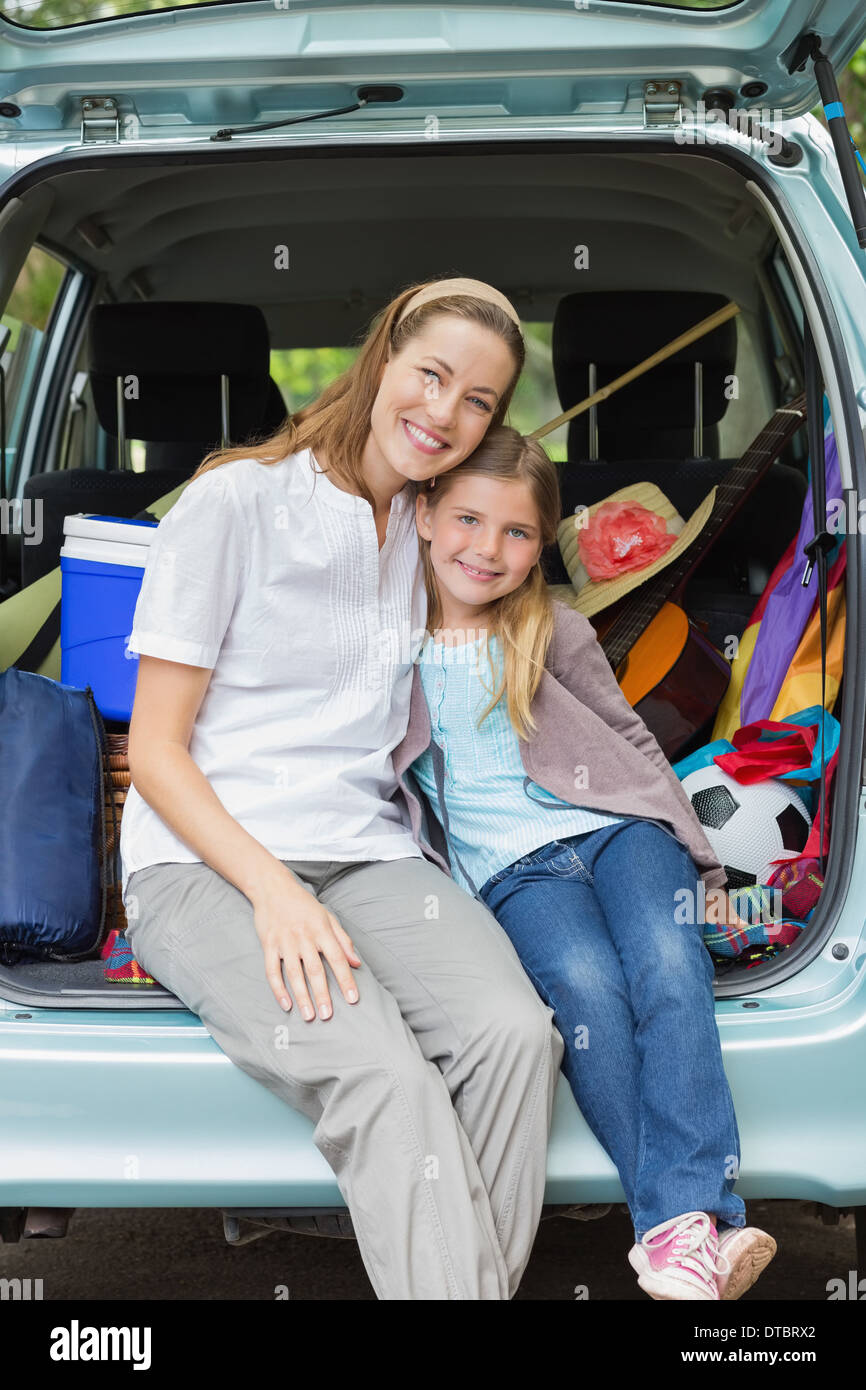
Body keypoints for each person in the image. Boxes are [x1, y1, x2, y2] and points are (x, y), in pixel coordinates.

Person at [119, 278, 565, 1301]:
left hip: (368, 856)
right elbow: (154, 753)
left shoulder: (435, 528)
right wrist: (276, 893)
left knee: (512, 1036)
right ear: (382, 358)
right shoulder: (234, 500)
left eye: (480, 402)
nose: (444, 415)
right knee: (386, 1082)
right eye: (431, 376)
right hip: (205, 864)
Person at [400, 423, 778, 1301]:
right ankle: (687, 1237)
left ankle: (679, 1220)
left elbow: (635, 746)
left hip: (618, 831)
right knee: (584, 989)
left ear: (542, 545)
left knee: (666, 963)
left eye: (517, 532)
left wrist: (705, 867)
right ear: (423, 515)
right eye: (466, 520)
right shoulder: (389, 644)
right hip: (513, 873)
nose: (487, 550)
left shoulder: (551, 629)